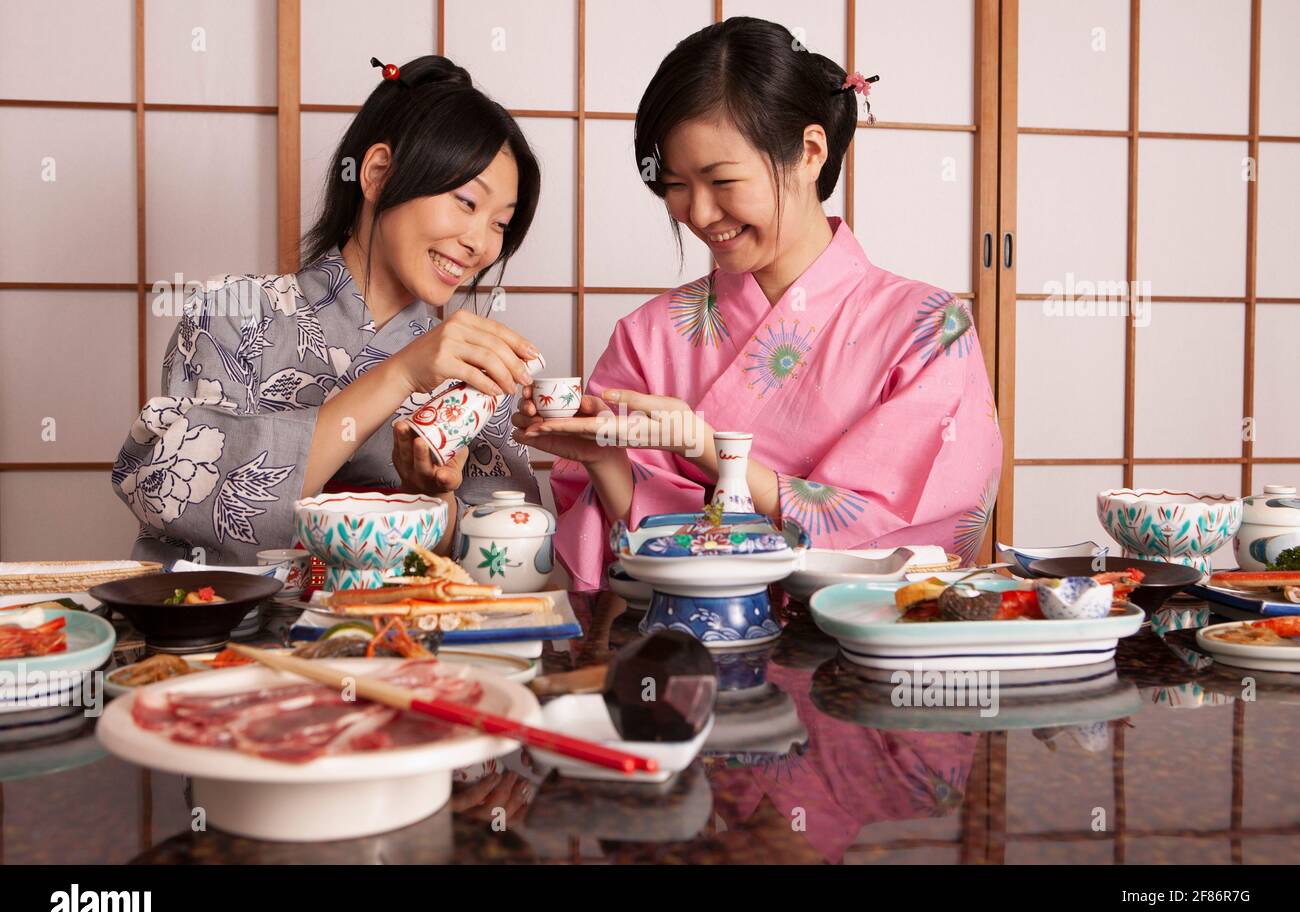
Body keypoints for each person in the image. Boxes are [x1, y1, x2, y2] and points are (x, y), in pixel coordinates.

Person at [514, 18, 1003, 591]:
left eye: (721, 181)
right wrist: (602, 461)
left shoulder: (928, 328)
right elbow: (615, 551)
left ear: (809, 151)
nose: (697, 213)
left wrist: (713, 456)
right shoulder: (647, 337)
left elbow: (918, 539)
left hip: (868, 646)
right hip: (679, 651)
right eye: (674, 185)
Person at [113, 55, 543, 566]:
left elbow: (509, 546)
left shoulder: (467, 372)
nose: (479, 243)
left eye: (501, 224)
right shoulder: (233, 312)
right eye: (467, 202)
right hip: (237, 634)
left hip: (399, 636)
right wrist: (401, 374)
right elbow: (170, 490)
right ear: (378, 174)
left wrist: (433, 499)